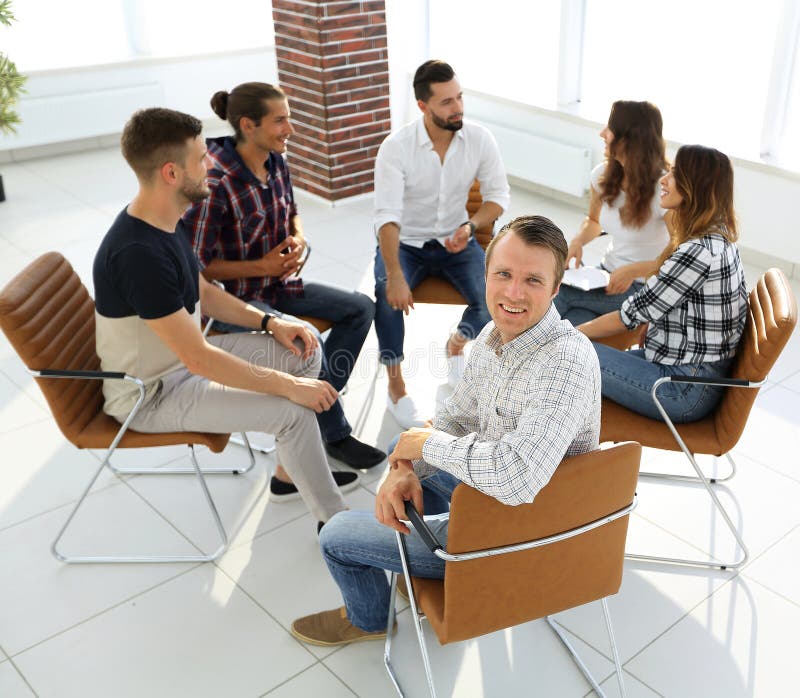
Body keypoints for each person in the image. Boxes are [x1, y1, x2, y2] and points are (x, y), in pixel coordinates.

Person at [290, 215, 601, 646]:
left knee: (336, 534)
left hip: (517, 535)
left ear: (555, 288)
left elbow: (516, 478)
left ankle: (369, 619)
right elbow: (456, 417)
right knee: (410, 477)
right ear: (485, 274)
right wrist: (404, 465)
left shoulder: (563, 363)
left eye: (532, 280)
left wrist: (428, 446)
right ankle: (413, 558)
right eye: (503, 275)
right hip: (486, 497)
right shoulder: (495, 334)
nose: (513, 293)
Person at [93, 107, 351, 529]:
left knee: (304, 345)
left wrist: (272, 324)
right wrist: (291, 389)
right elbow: (199, 360)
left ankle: (289, 476)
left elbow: (205, 294)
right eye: (201, 158)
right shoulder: (137, 254)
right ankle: (339, 528)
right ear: (172, 173)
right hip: (152, 393)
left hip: (181, 363)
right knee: (293, 410)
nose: (211, 164)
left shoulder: (164, 217)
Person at [183, 82, 385, 482]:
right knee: (306, 338)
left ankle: (316, 407)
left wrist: (298, 236)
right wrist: (260, 265)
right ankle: (333, 432)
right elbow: (197, 268)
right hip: (233, 302)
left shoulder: (275, 160)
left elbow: (293, 212)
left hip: (277, 287)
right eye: (281, 120)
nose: (290, 128)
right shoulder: (215, 181)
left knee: (360, 308)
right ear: (249, 125)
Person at [373, 59, 511, 428]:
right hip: (405, 243)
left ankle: (456, 344)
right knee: (386, 296)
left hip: (457, 241)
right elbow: (386, 217)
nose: (458, 108)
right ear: (423, 107)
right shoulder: (396, 147)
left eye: (460, 97)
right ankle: (396, 386)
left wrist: (471, 225)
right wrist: (395, 275)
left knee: (494, 302)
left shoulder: (479, 138)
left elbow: (498, 196)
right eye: (447, 102)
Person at [578, 145, 748, 423]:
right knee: (576, 348)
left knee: (572, 352)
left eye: (674, 175)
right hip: (688, 373)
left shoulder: (696, 253)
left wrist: (570, 334)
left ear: (695, 188)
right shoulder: (718, 237)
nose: (663, 180)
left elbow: (628, 317)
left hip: (681, 390)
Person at [554, 100, 671, 325]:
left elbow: (682, 253)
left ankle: (501, 350)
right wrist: (578, 241)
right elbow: (593, 221)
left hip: (644, 287)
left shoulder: (664, 189)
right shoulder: (602, 175)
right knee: (572, 325)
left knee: (558, 293)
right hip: (605, 276)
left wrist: (635, 269)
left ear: (630, 139)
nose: (602, 133)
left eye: (610, 128)